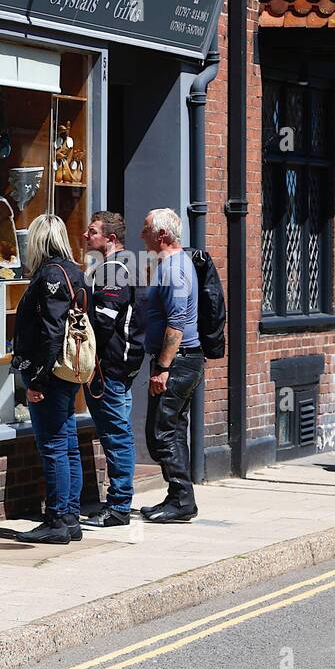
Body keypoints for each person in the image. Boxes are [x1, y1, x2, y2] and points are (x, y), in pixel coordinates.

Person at [11, 214, 88, 544]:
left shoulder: (50, 276)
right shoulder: (74, 271)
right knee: (68, 444)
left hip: (51, 374)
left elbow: (51, 332)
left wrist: (37, 380)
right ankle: (70, 517)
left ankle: (57, 520)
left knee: (55, 446)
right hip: (68, 372)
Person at [138, 207, 204, 523]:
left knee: (161, 434)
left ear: (162, 235)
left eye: (146, 228)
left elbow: (176, 324)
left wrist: (163, 369)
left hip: (177, 364)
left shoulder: (174, 269)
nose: (141, 234)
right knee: (173, 430)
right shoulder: (170, 265)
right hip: (181, 363)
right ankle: (178, 498)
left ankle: (182, 500)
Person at [81, 211, 146, 527]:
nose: (85, 236)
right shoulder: (122, 266)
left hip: (109, 368)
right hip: (118, 367)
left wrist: (80, 344)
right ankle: (119, 502)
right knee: (117, 432)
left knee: (116, 434)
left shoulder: (114, 270)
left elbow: (103, 322)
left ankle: (119, 506)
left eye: (92, 231)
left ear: (110, 238)